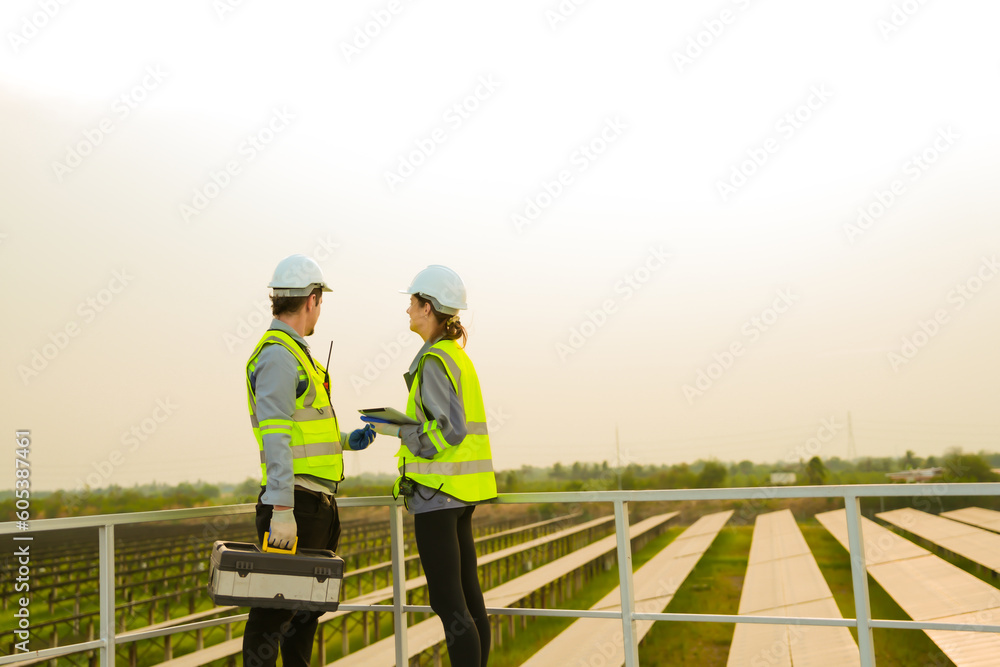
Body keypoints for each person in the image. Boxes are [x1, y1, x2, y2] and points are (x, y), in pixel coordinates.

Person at [243, 254, 376, 667]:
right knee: (271, 617)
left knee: (304, 616)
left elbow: (303, 429)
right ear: (312, 299)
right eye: (321, 301)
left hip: (315, 505)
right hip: (295, 505)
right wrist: (282, 510)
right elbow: (277, 436)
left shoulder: (298, 355)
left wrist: (346, 442)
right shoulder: (280, 354)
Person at [367, 265, 497, 667]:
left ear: (427, 307)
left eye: (411, 302)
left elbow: (449, 431)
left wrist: (401, 432)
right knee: (468, 598)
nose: (407, 310)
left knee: (448, 602)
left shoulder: (436, 360)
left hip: (437, 496)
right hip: (459, 495)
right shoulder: (455, 357)